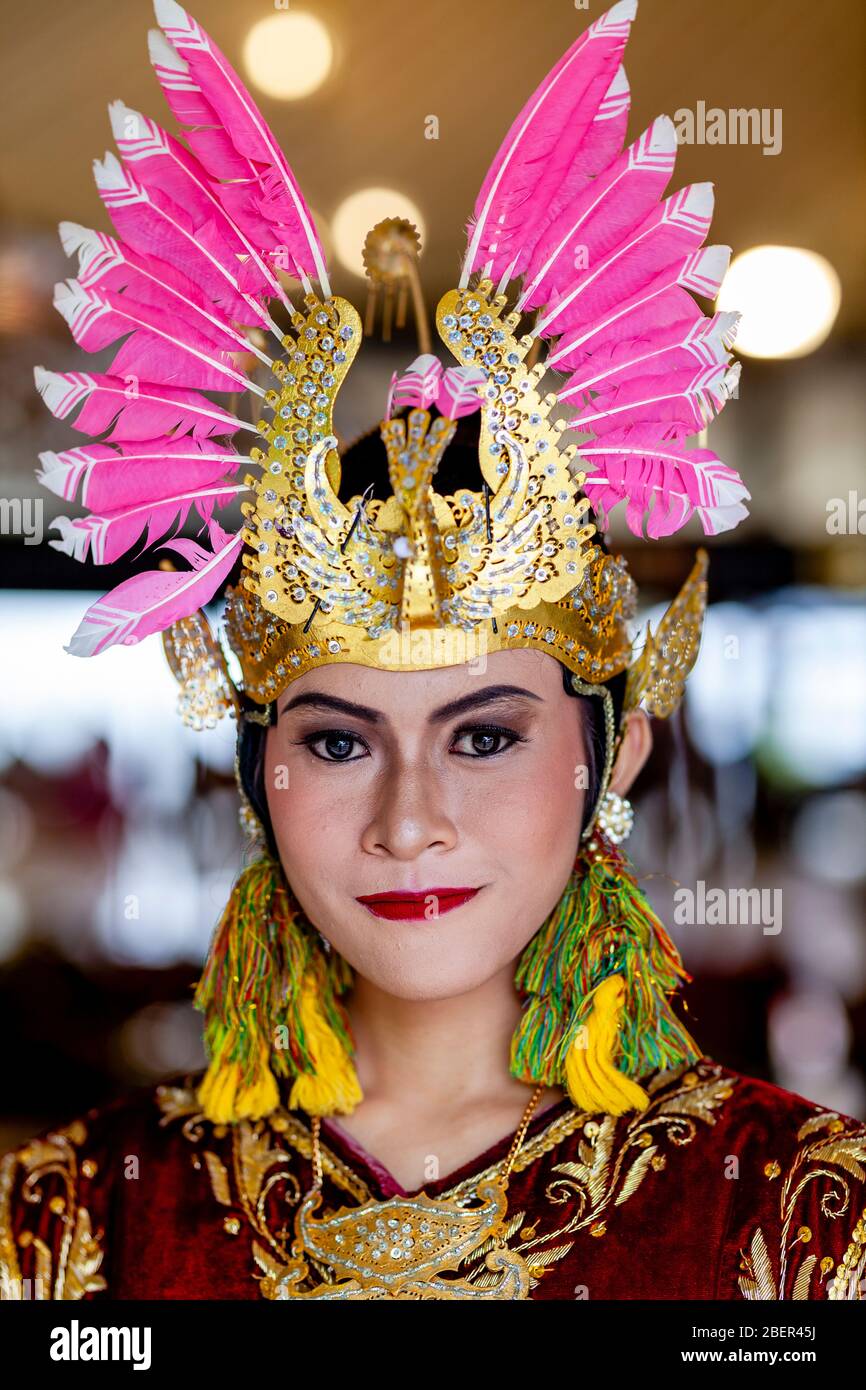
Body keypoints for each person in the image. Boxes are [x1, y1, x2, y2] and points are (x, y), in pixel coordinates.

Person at [3, 0, 864, 1302]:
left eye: (484, 733)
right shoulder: (69, 1228)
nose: (410, 823)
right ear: (251, 767)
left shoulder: (801, 1227)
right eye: (338, 739)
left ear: (610, 747)